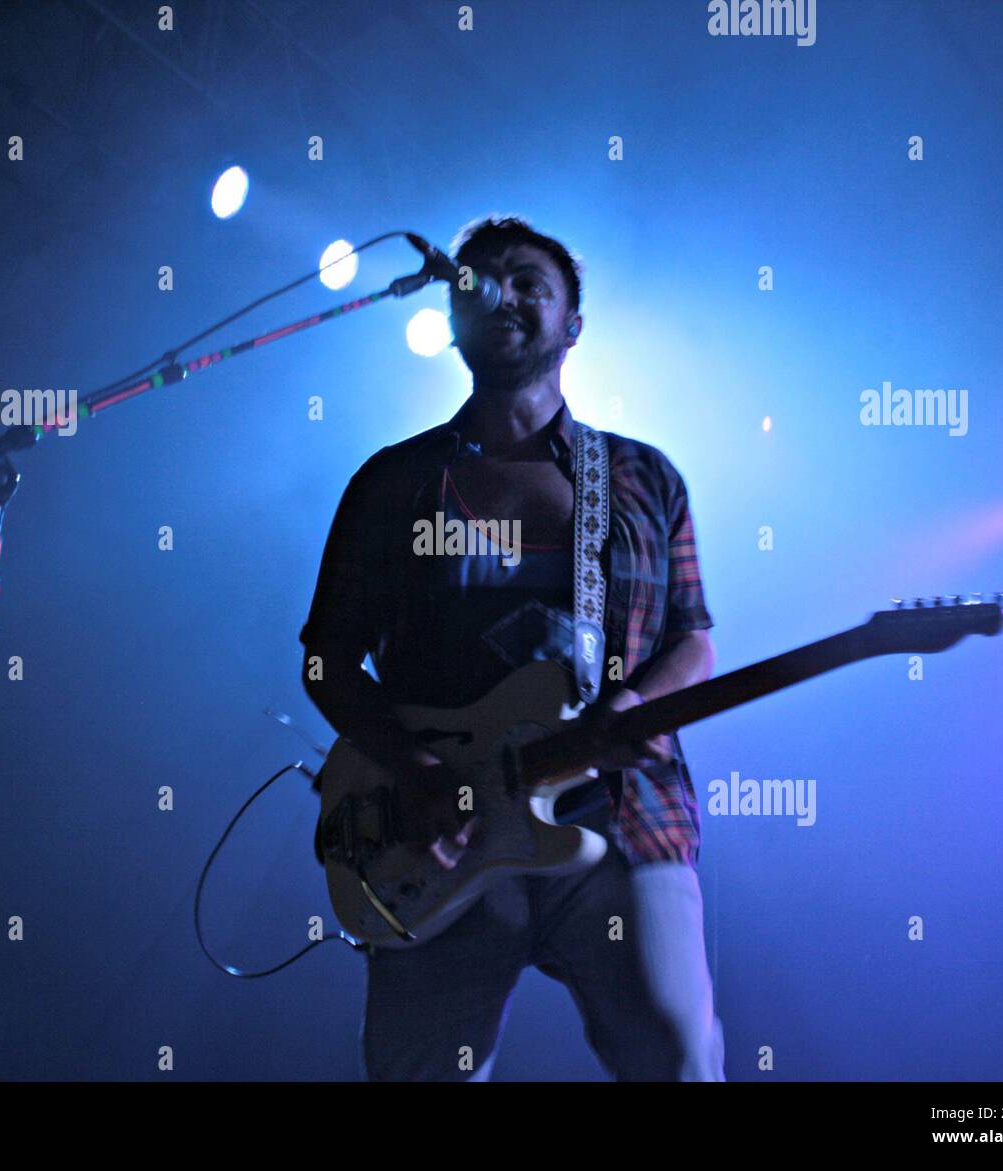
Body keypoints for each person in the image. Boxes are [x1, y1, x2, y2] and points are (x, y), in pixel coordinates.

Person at [299, 215, 725, 1081]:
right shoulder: (392, 482)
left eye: (530, 279)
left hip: (621, 814)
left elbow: (694, 636)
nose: (504, 291)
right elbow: (326, 660)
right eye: (482, 277)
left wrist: (636, 706)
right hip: (436, 836)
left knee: (679, 1058)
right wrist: (414, 770)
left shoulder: (644, 477)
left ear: (572, 324)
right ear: (454, 320)